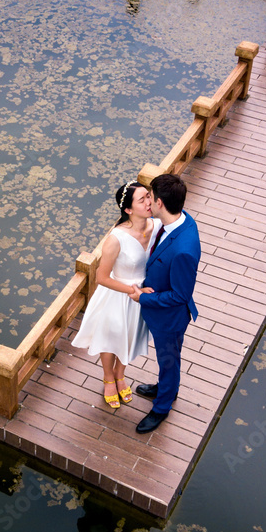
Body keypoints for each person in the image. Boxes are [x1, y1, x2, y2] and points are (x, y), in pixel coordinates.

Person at [71, 180, 159, 409]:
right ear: (128, 210)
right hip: (118, 293)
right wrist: (133, 291)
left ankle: (121, 375)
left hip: (144, 295)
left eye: (148, 196)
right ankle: (108, 378)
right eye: (142, 200)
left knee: (131, 336)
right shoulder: (116, 239)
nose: (149, 202)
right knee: (111, 338)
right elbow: (102, 277)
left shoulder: (156, 226)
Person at [129, 173, 200, 434]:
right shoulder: (182, 219)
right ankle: (166, 388)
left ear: (160, 203)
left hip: (169, 319)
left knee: (169, 360)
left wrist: (143, 297)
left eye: (150, 197)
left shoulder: (183, 249)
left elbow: (181, 295)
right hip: (162, 312)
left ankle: (162, 407)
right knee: (168, 360)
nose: (148, 201)